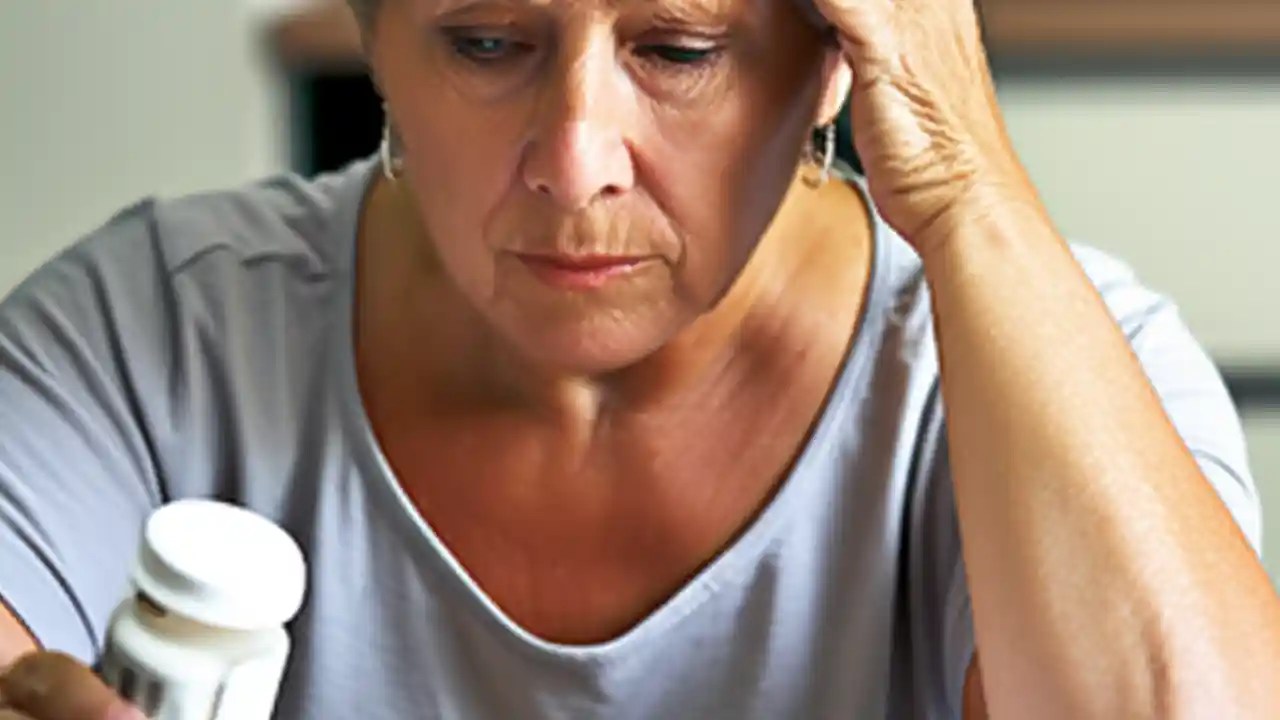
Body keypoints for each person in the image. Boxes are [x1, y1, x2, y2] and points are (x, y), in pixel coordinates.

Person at [1, 0, 1277, 716]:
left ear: (840, 53)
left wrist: (964, 186)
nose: (574, 159)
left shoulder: (1040, 374)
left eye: (676, 51)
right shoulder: (150, 333)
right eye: (486, 43)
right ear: (376, 32)